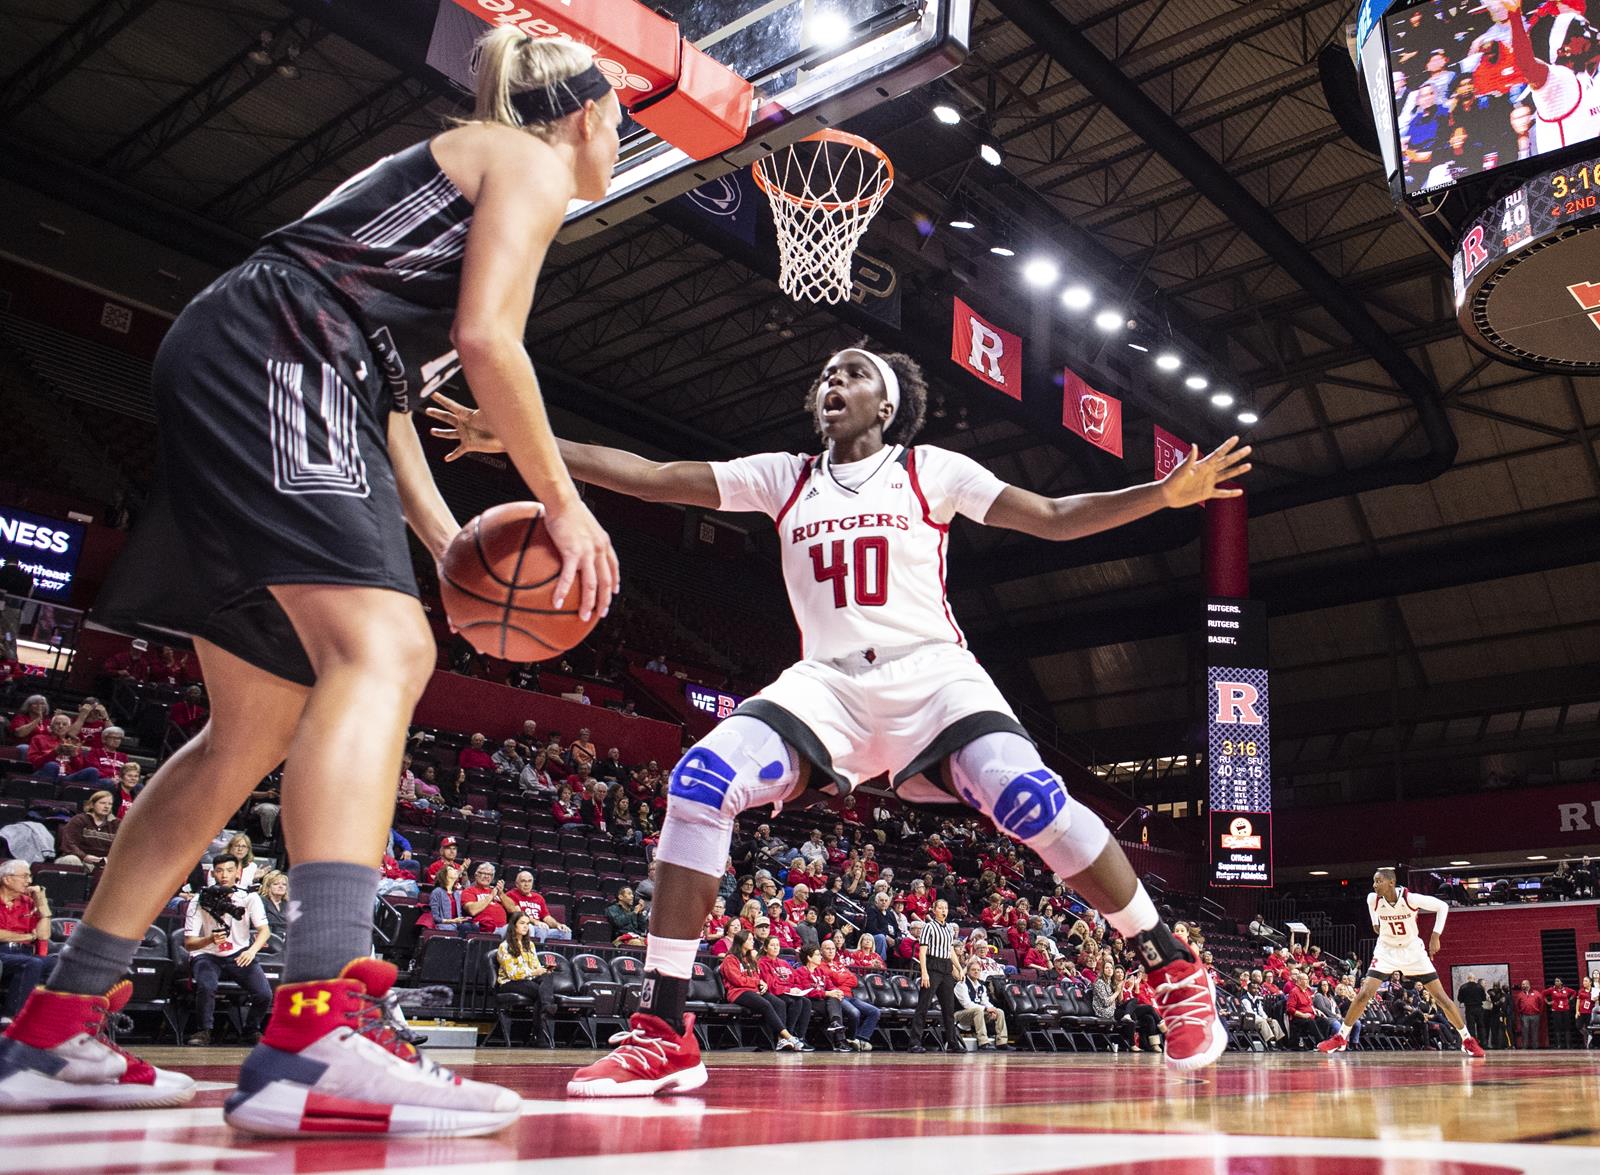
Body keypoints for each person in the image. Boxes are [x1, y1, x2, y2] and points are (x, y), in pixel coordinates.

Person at [0, 26, 625, 1130]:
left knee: (247, 731)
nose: (617, 141)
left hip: (270, 356)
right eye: (620, 122)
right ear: (585, 115)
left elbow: (389, 404)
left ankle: (55, 1024)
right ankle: (315, 1033)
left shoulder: (442, 192)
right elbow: (491, 341)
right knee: (386, 650)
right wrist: (563, 501)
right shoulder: (525, 160)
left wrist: (446, 541)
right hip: (282, 352)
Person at [433, 347, 1246, 1096]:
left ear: (885, 405)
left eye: (852, 372)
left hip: (934, 677)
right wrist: (523, 441)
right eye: (825, 372)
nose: (832, 380)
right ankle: (664, 1028)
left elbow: (1055, 514)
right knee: (700, 780)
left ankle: (1170, 964)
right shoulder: (784, 477)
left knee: (1027, 798)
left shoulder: (928, 470)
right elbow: (653, 476)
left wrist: (1160, 494)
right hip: (827, 684)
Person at [1318, 869, 1484, 1057]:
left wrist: (1435, 936)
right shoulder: (1373, 899)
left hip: (1412, 951)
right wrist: (1376, 923)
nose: (1374, 885)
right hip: (1386, 951)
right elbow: (1375, 923)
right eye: (1374, 881)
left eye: (1378, 881)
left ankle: (1467, 1040)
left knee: (1441, 997)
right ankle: (1341, 1037)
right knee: (1364, 993)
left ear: (1391, 882)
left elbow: (1442, 907)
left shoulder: (1410, 899)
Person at [180, 856, 272, 1046]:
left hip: (239, 952)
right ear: (213, 873)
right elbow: (189, 943)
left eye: (230, 870)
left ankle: (250, 1030)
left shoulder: (249, 897)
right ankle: (203, 1030)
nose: (224, 875)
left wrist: (251, 951)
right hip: (207, 953)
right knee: (207, 986)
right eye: (220, 870)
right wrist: (209, 939)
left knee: (264, 994)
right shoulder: (199, 899)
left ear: (238, 872)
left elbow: (265, 931)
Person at [718, 929, 803, 1050]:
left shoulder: (750, 959)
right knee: (765, 1004)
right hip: (738, 992)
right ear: (741, 941)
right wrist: (757, 982)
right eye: (750, 939)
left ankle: (781, 1040)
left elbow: (756, 977)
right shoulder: (730, 959)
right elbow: (738, 981)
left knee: (779, 1003)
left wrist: (762, 983)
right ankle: (789, 1037)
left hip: (753, 990)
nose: (753, 942)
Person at [909, 898, 963, 1054]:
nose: (944, 910)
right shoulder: (929, 927)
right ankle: (914, 1043)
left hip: (946, 967)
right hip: (932, 966)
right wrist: (924, 972)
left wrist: (959, 967)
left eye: (946, 908)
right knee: (923, 1006)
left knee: (949, 1008)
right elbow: (922, 952)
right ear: (934, 910)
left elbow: (950, 950)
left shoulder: (949, 929)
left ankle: (952, 1043)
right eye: (940, 908)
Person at [0, 860, 51, 1019]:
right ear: (7, 879)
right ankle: (11, 1017)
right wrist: (29, 936)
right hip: (2, 952)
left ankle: (52, 1018)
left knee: (61, 964)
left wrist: (42, 904)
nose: (29, 881)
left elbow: (43, 935)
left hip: (25, 952)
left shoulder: (29, 902)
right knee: (32, 963)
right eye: (25, 876)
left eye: (30, 876)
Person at [494, 915, 555, 1040]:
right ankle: (539, 1034)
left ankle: (545, 1008)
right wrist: (533, 972)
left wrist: (544, 970)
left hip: (527, 979)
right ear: (514, 925)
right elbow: (512, 974)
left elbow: (536, 966)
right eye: (522, 923)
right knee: (541, 992)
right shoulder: (505, 946)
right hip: (509, 983)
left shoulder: (530, 945)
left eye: (527, 923)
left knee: (547, 977)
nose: (526, 926)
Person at [954, 957, 1011, 1050]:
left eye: (978, 970)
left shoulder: (981, 986)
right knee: (978, 1010)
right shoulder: (961, 984)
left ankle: (1002, 1042)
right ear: (967, 971)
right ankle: (983, 1042)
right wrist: (986, 1009)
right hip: (960, 1015)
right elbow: (967, 1004)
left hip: (977, 1014)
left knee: (999, 1012)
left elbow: (985, 1001)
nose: (976, 972)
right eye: (973, 970)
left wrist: (992, 1010)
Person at [55, 790, 120, 871]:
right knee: (71, 859)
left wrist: (108, 859)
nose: (107, 806)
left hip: (104, 863)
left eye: (110, 804)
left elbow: (122, 848)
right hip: (80, 859)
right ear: (92, 805)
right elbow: (69, 844)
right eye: (102, 803)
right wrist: (84, 857)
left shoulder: (116, 824)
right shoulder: (79, 820)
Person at [502, 870, 572, 942]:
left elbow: (547, 917)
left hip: (540, 928)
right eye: (523, 881)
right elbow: (518, 913)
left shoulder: (538, 897)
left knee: (566, 932)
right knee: (541, 929)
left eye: (529, 881)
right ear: (517, 884)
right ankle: (538, 949)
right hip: (524, 927)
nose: (526, 884)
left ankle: (559, 950)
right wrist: (536, 922)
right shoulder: (511, 894)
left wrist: (558, 925)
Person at [428, 864, 474, 936]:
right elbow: (435, 918)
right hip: (445, 924)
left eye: (454, 869)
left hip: (457, 924)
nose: (455, 870)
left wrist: (462, 919)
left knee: (474, 927)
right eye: (451, 869)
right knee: (465, 928)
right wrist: (452, 921)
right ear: (445, 875)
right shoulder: (437, 892)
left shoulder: (456, 893)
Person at [1545, 976, 1576, 1049]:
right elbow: (1543, 994)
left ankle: (1568, 1045)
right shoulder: (1552, 989)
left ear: (1561, 982)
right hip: (1556, 1010)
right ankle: (1559, 1045)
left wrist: (1570, 999)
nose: (1556, 982)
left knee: (1567, 1027)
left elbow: (1574, 992)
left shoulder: (1566, 989)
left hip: (1565, 1010)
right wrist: (1548, 1002)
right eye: (1555, 981)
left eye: (1557, 981)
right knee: (1557, 1027)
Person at [1457, 973, 1488, 1042]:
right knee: (1481, 1026)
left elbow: (1459, 999)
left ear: (1467, 978)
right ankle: (1483, 1043)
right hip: (1479, 1008)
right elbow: (1484, 998)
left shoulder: (1463, 987)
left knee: (1471, 1027)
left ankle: (1474, 1043)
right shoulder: (1480, 987)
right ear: (1474, 978)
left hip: (1469, 1008)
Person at [1514, 979, 1545, 1048]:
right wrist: (1520, 1013)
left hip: (1535, 1015)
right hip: (1524, 1016)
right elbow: (1517, 1005)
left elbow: (1541, 1004)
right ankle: (1524, 1047)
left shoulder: (1536, 993)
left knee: (1535, 1032)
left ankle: (1535, 1047)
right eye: (1522, 984)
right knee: (1525, 1032)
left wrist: (1539, 1012)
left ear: (1528, 984)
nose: (1522, 986)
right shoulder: (1520, 995)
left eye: (1523, 984)